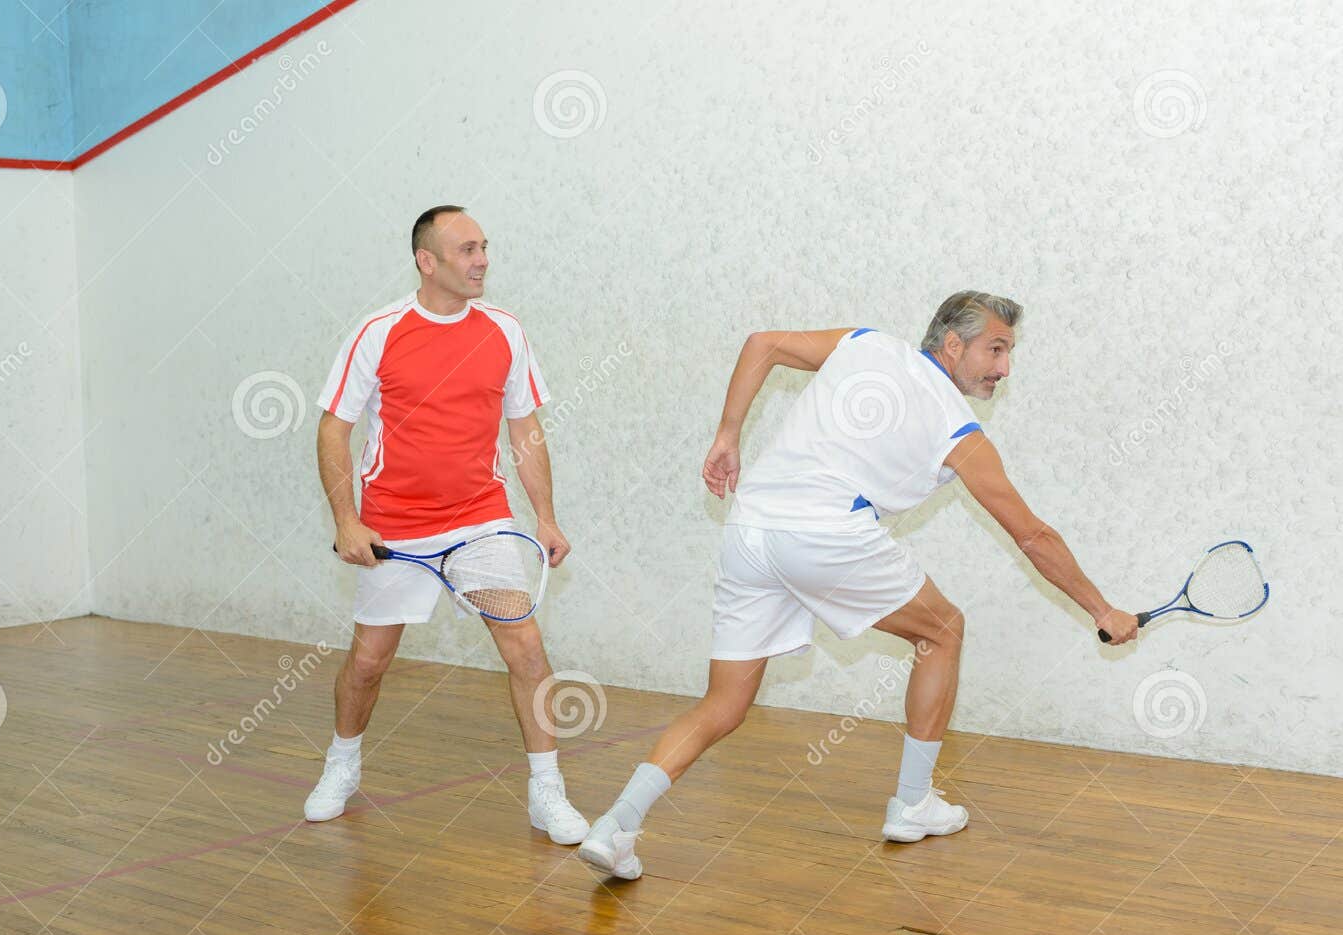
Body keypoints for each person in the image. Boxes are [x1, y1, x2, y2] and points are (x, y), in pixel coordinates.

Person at [579, 292, 1139, 879]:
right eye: (995, 350)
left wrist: (727, 435)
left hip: (750, 528)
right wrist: (1102, 609)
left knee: (722, 704)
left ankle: (615, 824)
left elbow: (761, 344)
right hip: (824, 535)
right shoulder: (957, 427)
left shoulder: (865, 342)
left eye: (1009, 352)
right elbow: (1032, 535)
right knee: (943, 630)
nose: (1004, 368)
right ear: (953, 344)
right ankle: (912, 801)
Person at [307, 205, 588, 844]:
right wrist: (347, 521)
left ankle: (548, 792)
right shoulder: (379, 332)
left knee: (527, 647)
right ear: (426, 261)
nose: (481, 259)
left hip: (479, 522)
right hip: (395, 530)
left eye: (484, 247)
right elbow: (333, 426)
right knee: (371, 661)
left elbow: (525, 427)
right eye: (466, 250)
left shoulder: (504, 331)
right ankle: (341, 765)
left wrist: (544, 516)